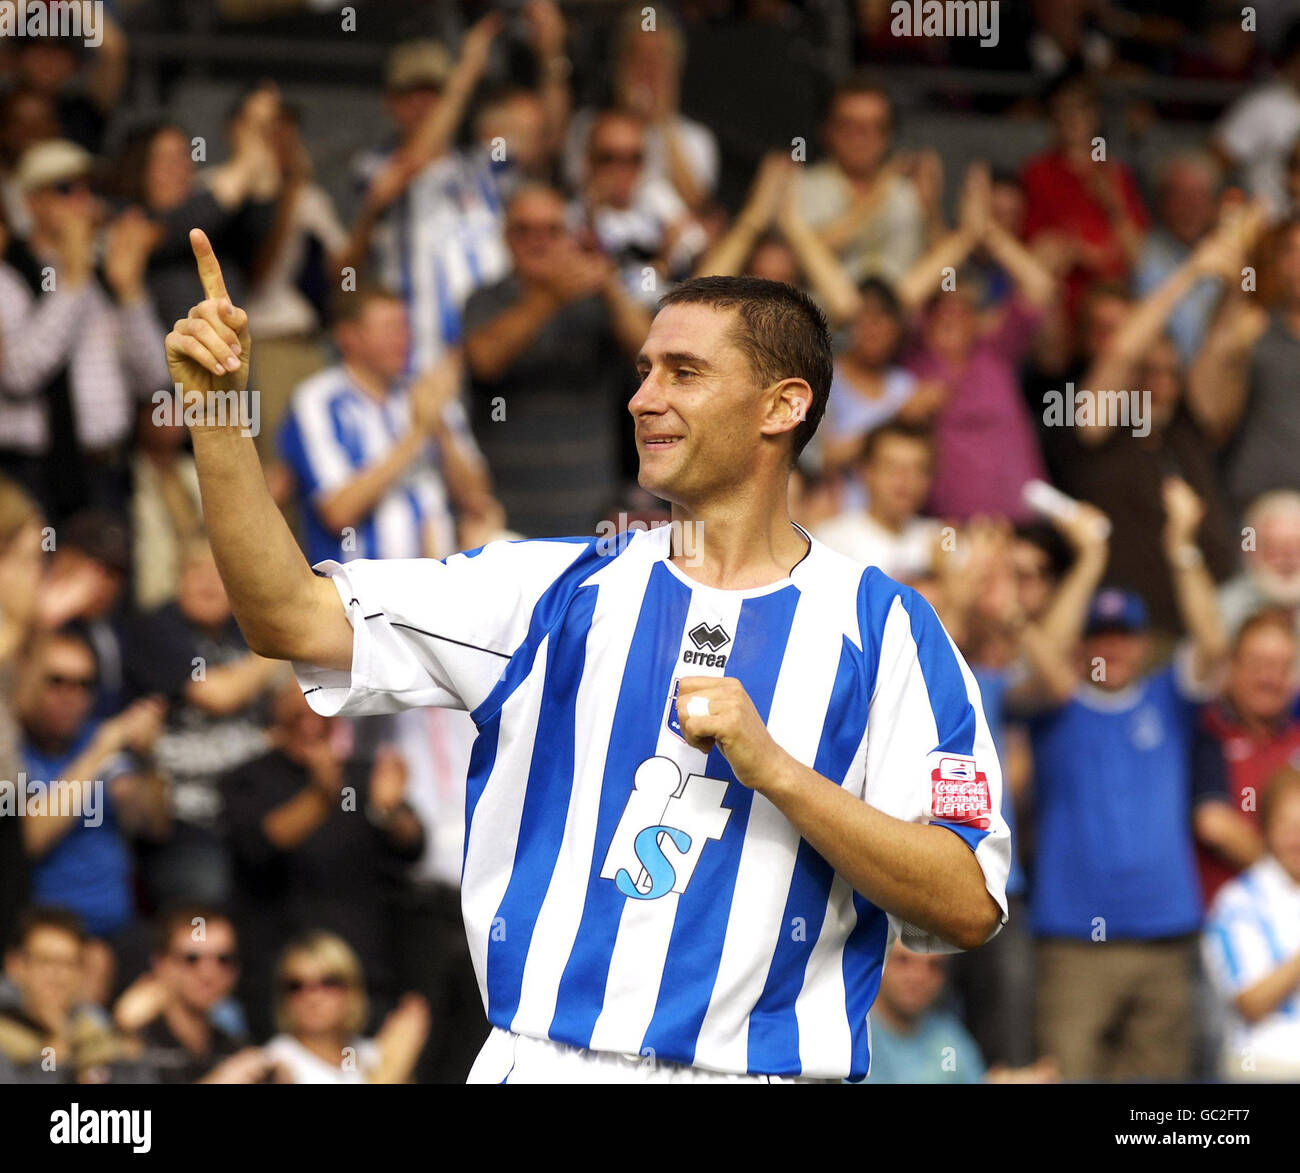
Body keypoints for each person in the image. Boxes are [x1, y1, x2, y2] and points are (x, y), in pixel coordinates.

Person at [164, 231, 1008, 1084]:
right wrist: (219, 419)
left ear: (782, 406)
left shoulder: (888, 628)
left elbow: (966, 900)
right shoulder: (552, 587)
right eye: (643, 370)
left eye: (683, 372)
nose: (643, 398)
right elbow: (286, 617)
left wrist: (779, 772)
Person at [1027, 479, 1229, 1080]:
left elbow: (1215, 647)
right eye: (1100, 637)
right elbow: (1047, 647)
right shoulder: (1053, 702)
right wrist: (1088, 561)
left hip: (1166, 937)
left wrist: (1182, 547)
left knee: (1158, 1109)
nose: (1111, 650)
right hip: (1072, 940)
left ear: (1144, 645)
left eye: (1124, 638)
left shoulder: (1169, 698)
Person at [221, 681, 425, 1041]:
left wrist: (391, 812)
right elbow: (257, 847)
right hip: (281, 982)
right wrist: (320, 795)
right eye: (296, 715)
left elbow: (411, 848)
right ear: (275, 719)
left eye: (320, 713)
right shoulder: (246, 780)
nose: (310, 725)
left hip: (362, 976)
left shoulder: (363, 775)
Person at [463, 184, 652, 537]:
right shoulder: (485, 300)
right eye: (524, 230)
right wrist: (548, 296)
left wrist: (609, 286)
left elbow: (651, 355)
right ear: (505, 236)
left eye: (551, 230)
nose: (538, 242)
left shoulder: (599, 301)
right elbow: (484, 359)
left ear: (571, 236)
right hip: (508, 521)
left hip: (595, 518)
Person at [277, 285, 492, 565]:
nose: (402, 339)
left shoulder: (426, 392)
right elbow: (338, 512)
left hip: (438, 586)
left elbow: (478, 501)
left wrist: (440, 428)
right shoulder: (318, 400)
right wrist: (416, 434)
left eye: (404, 327)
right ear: (348, 337)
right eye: (389, 328)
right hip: (355, 590)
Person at [17, 629, 169, 942]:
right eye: (56, 681)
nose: (70, 696)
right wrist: (99, 753)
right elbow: (28, 840)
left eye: (84, 684)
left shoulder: (96, 736)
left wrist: (147, 759)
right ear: (28, 679)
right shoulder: (11, 748)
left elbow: (153, 825)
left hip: (116, 929)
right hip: (40, 935)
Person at [1195, 610, 1300, 906]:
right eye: (1258, 664)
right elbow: (1214, 825)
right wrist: (1288, 877)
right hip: (1228, 926)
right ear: (1233, 667)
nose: (1269, 678)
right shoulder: (1208, 732)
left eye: (1281, 667)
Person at [1202, 766, 1300, 1080]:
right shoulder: (1238, 902)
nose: (1296, 839)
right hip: (1267, 1062)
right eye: (1287, 826)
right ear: (1266, 829)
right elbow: (1251, 1002)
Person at [262, 931, 429, 1084]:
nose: (312, 996)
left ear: (352, 988)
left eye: (328, 982)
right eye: (296, 986)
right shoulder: (277, 1062)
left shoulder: (365, 1052)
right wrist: (392, 1070)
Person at [114, 906, 255, 1084]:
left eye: (223, 959)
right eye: (192, 959)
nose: (208, 973)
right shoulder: (134, 1040)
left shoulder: (235, 1049)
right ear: (161, 964)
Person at [0, 907, 137, 1084]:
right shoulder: (5, 1033)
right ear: (15, 965)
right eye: (45, 961)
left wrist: (130, 1041)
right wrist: (53, 1048)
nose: (57, 976)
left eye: (68, 964)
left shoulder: (93, 1029)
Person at [811, 423, 940, 584]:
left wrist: (945, 572)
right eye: (893, 468)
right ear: (866, 472)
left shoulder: (940, 536)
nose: (907, 480)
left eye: (919, 469)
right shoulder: (830, 540)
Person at [863, 945, 986, 1083]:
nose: (918, 976)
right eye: (902, 961)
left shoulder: (950, 1035)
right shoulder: (852, 1037)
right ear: (876, 964)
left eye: (934, 966)